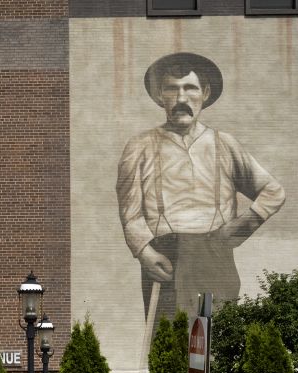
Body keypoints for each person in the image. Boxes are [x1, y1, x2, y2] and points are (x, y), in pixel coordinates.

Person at [116, 52, 286, 323]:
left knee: (214, 341)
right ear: (160, 95)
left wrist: (243, 225)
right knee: (170, 346)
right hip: (166, 258)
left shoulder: (225, 145)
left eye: (190, 88)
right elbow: (130, 213)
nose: (181, 99)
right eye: (172, 88)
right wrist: (145, 252)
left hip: (215, 255)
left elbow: (273, 191)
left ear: (204, 93)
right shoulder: (140, 146)